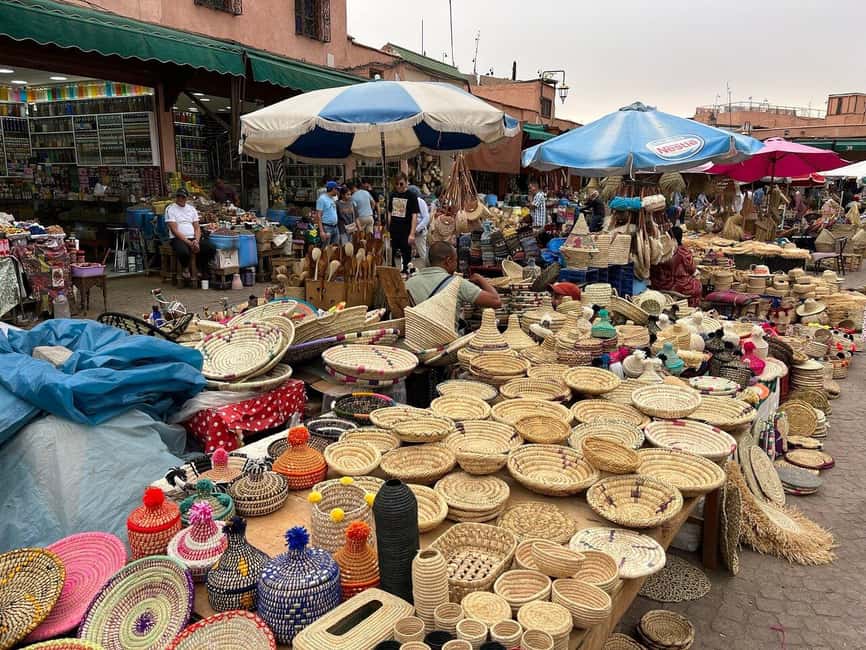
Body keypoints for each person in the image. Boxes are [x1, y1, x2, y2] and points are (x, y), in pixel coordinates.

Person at [406, 241, 502, 321]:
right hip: (448, 341)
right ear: (448, 261)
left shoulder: (409, 283)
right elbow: (496, 301)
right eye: (456, 260)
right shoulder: (456, 283)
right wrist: (480, 279)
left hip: (417, 339)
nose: (456, 265)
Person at [165, 188, 215, 279]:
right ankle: (186, 268)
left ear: (186, 198)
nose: (180, 198)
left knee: (210, 248)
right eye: (178, 196)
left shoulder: (191, 209)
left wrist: (196, 240)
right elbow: (174, 230)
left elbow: (197, 227)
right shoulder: (170, 209)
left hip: (193, 237)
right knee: (183, 252)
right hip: (178, 238)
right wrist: (187, 241)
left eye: (183, 197)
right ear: (176, 197)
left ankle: (200, 267)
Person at [649, 226, 702, 306]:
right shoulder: (684, 253)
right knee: (698, 285)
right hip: (681, 287)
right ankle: (690, 308)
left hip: (658, 284)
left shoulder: (659, 251)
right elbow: (692, 269)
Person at [388, 173, 419, 271]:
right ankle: (393, 275)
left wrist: (412, 234)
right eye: (396, 184)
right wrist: (388, 228)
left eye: (401, 184)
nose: (398, 186)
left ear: (406, 183)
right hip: (393, 230)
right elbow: (390, 212)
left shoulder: (412, 196)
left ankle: (406, 274)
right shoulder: (393, 194)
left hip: (406, 230)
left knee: (406, 258)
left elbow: (414, 215)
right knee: (390, 255)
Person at [409, 184, 430, 266]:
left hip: (419, 231)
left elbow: (426, 217)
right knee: (407, 253)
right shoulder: (408, 201)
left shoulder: (420, 201)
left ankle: (428, 269)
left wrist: (416, 229)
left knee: (422, 253)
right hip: (409, 231)